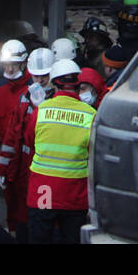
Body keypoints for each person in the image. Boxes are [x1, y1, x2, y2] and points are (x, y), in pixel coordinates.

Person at [24, 59, 95, 244]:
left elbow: (30, 141)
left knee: (40, 238)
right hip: (74, 193)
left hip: (43, 189)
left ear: (55, 83)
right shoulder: (90, 115)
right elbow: (95, 155)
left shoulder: (41, 111)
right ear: (77, 85)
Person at [0, 47, 56, 243]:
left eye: (44, 76)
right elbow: (12, 137)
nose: (39, 82)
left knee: (42, 221)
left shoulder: (58, 101)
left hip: (46, 175)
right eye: (36, 77)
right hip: (23, 171)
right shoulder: (25, 99)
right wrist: (2, 168)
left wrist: (42, 109)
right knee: (21, 220)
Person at [0, 40, 29, 161]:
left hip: (25, 157)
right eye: (6, 64)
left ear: (24, 63)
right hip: (2, 157)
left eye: (14, 65)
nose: (9, 69)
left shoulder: (33, 88)